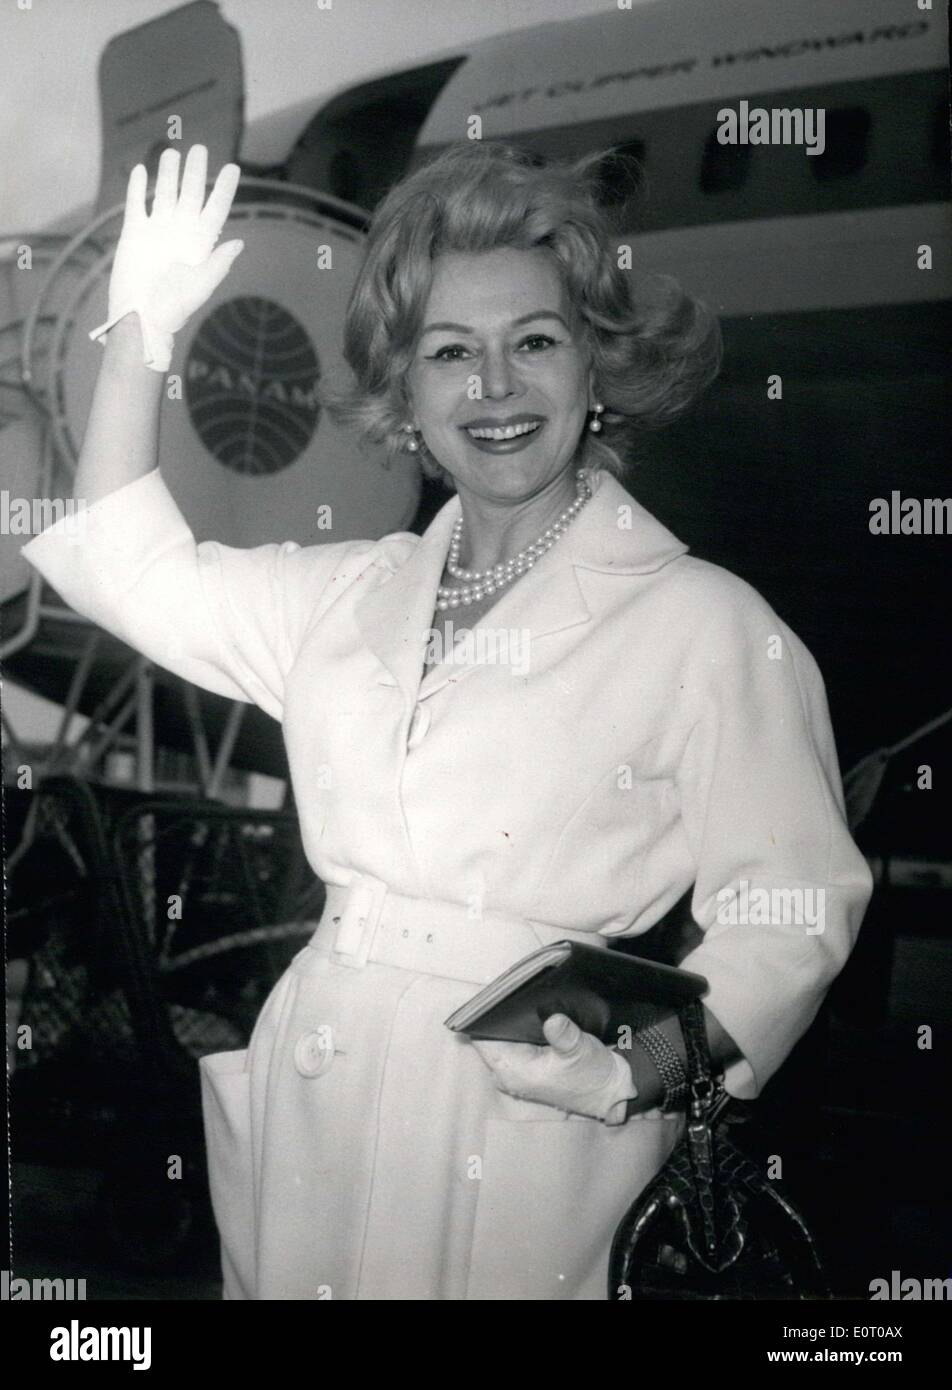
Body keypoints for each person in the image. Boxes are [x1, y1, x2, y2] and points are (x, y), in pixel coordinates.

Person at [23, 142, 873, 1301]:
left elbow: (793, 915)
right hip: (313, 1106)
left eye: (534, 341)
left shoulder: (707, 623)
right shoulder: (346, 593)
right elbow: (122, 564)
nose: (495, 389)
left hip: (535, 1119)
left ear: (596, 368)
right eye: (449, 355)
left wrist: (641, 1069)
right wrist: (137, 338)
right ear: (405, 398)